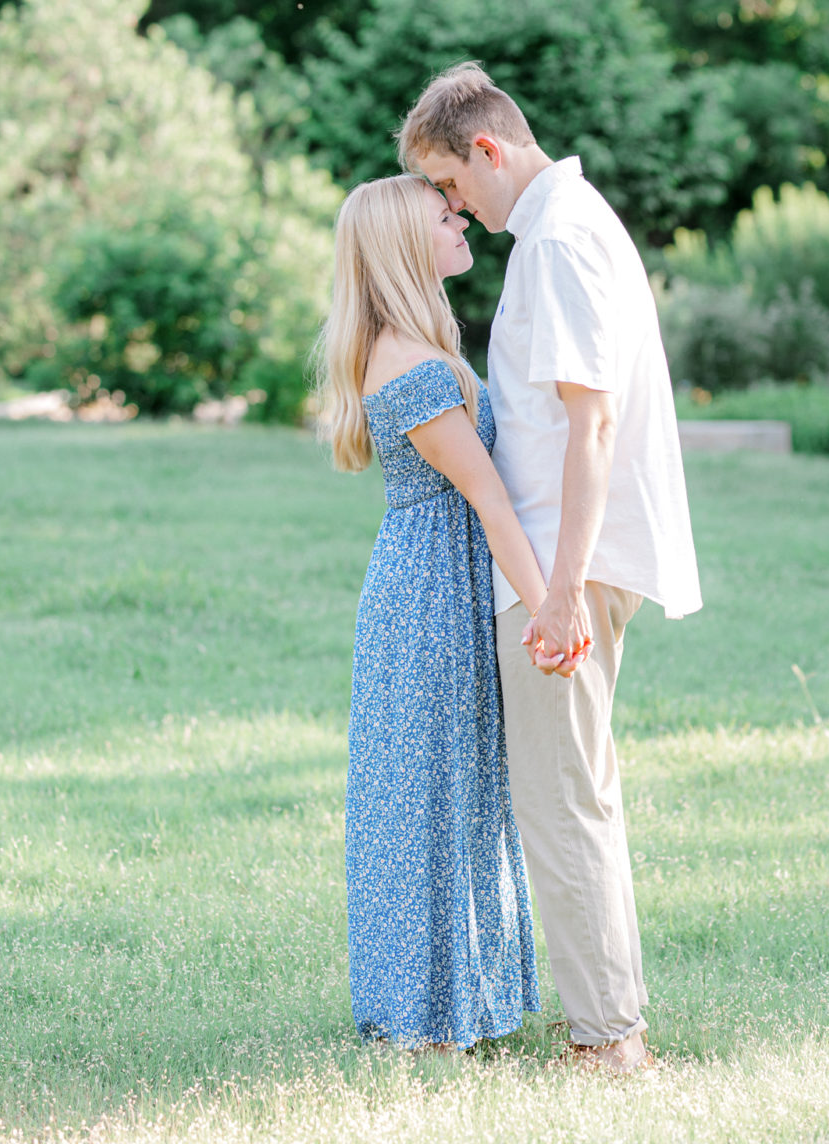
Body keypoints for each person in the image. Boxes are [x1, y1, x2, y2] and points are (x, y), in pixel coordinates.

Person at [398, 64, 702, 1075]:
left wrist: (560, 588)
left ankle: (609, 1042)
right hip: (560, 559)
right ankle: (608, 1024)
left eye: (450, 182)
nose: (452, 206)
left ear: (488, 149)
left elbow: (592, 423)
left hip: (568, 562)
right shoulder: (555, 231)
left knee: (562, 797)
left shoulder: (562, 239)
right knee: (572, 790)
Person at [317, 173, 544, 1052]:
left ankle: (455, 1002)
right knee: (432, 797)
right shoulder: (411, 366)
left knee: (451, 790)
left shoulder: (413, 346)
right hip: (431, 594)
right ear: (404, 246)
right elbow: (487, 497)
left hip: (434, 578)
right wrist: (549, 607)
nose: (462, 224)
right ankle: (428, 1014)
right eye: (444, 218)